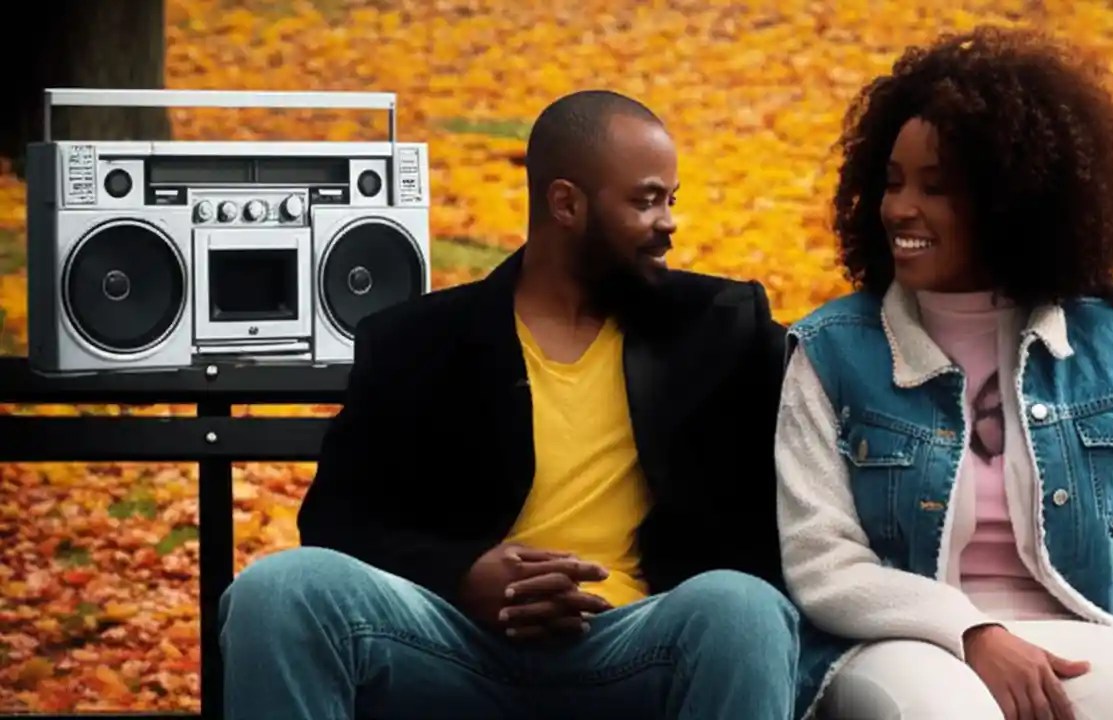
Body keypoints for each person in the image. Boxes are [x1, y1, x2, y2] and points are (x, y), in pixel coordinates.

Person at [217, 89, 834, 720]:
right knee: (279, 590)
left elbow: (838, 387)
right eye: (646, 200)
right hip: (453, 647)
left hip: (639, 645)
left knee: (744, 609)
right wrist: (464, 576)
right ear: (566, 203)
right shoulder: (418, 341)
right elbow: (336, 525)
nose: (669, 222)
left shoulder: (718, 327)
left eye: (670, 201)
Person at [776, 26, 1113, 720]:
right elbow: (822, 562)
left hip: (1081, 635)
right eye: (892, 183)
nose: (900, 209)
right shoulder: (833, 352)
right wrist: (971, 630)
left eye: (937, 188)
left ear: (1013, 199)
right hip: (897, 644)